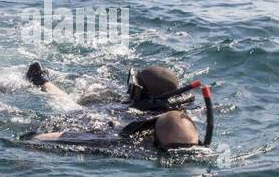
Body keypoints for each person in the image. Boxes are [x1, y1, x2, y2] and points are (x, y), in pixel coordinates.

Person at [20, 62, 211, 153]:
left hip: (98, 120)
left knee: (71, 105)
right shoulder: (185, 115)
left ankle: (41, 81)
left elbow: (55, 137)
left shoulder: (129, 139)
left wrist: (33, 138)